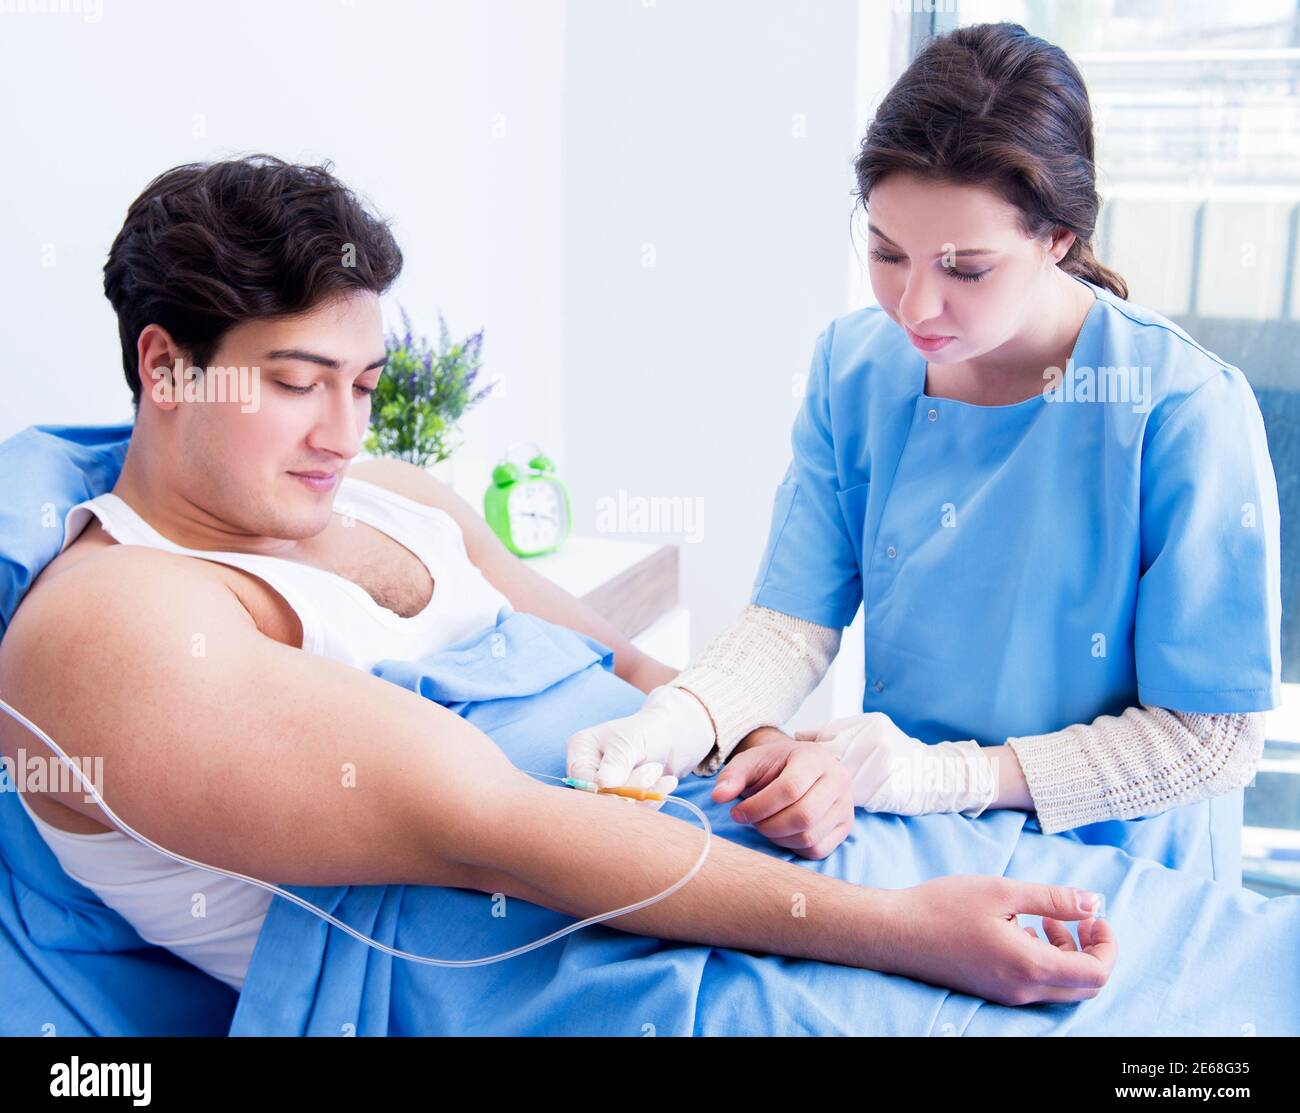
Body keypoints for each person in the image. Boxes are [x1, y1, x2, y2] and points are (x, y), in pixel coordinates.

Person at [0, 153, 1113, 1006]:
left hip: (717, 858)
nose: (342, 432)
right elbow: (494, 828)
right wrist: (903, 926)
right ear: (163, 366)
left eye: (366, 384)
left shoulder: (392, 496)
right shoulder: (122, 621)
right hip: (574, 973)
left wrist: (751, 742)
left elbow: (628, 664)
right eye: (298, 384)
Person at [568, 22, 1281, 877]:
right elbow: (792, 626)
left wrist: (951, 775)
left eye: (965, 270)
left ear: (1058, 238)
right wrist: (673, 722)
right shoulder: (855, 369)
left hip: (1117, 867)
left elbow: (1209, 742)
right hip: (921, 851)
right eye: (886, 253)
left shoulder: (1181, 408)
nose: (915, 308)